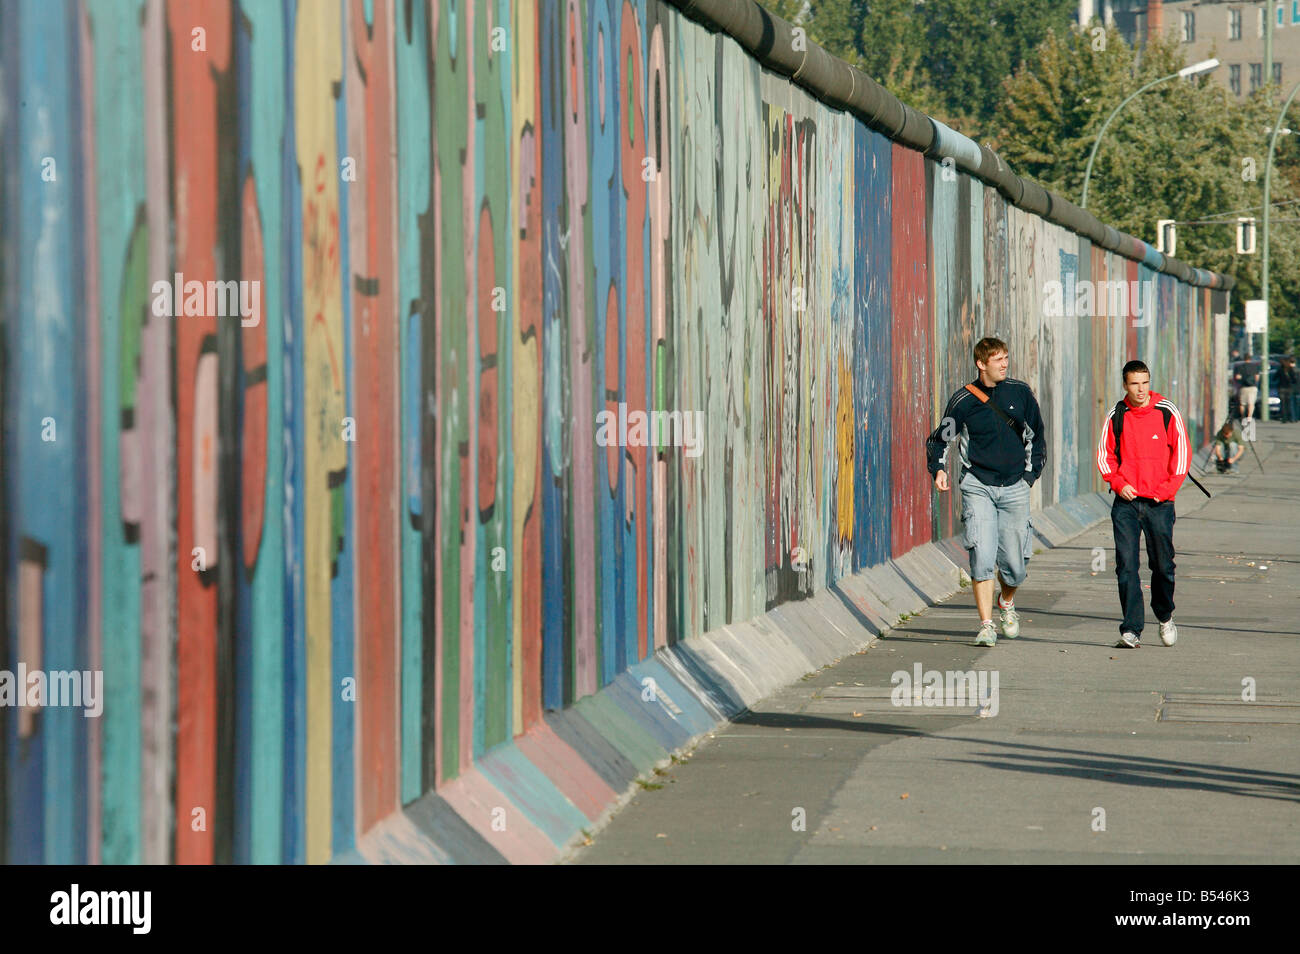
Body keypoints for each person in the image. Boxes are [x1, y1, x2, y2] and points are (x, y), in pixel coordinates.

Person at [926, 337, 1045, 647]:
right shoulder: (964, 400)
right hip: (978, 485)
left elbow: (1037, 437)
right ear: (981, 364)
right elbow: (941, 439)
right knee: (981, 555)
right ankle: (986, 624)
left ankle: (1006, 602)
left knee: (1016, 566)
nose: (1004, 364)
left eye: (1006, 357)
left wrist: (1029, 477)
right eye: (997, 359)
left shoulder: (1020, 394)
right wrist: (938, 469)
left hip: (1015, 487)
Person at [1096, 360, 1191, 649]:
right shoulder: (1117, 415)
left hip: (1159, 503)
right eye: (1135, 383)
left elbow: (1182, 455)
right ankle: (1132, 629)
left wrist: (1166, 490)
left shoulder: (1166, 411)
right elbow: (1104, 456)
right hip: (1126, 503)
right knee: (1126, 566)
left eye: (1145, 382)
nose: (1141, 389)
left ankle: (1164, 615)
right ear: (1125, 385)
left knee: (1163, 566)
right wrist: (1117, 483)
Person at [1277, 357, 1298, 422]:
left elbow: (1275, 378)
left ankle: (1284, 418)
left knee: (1283, 404)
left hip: (1281, 388)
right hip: (1289, 388)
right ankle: (1290, 418)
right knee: (1289, 403)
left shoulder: (1280, 370)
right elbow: (1294, 379)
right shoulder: (1290, 369)